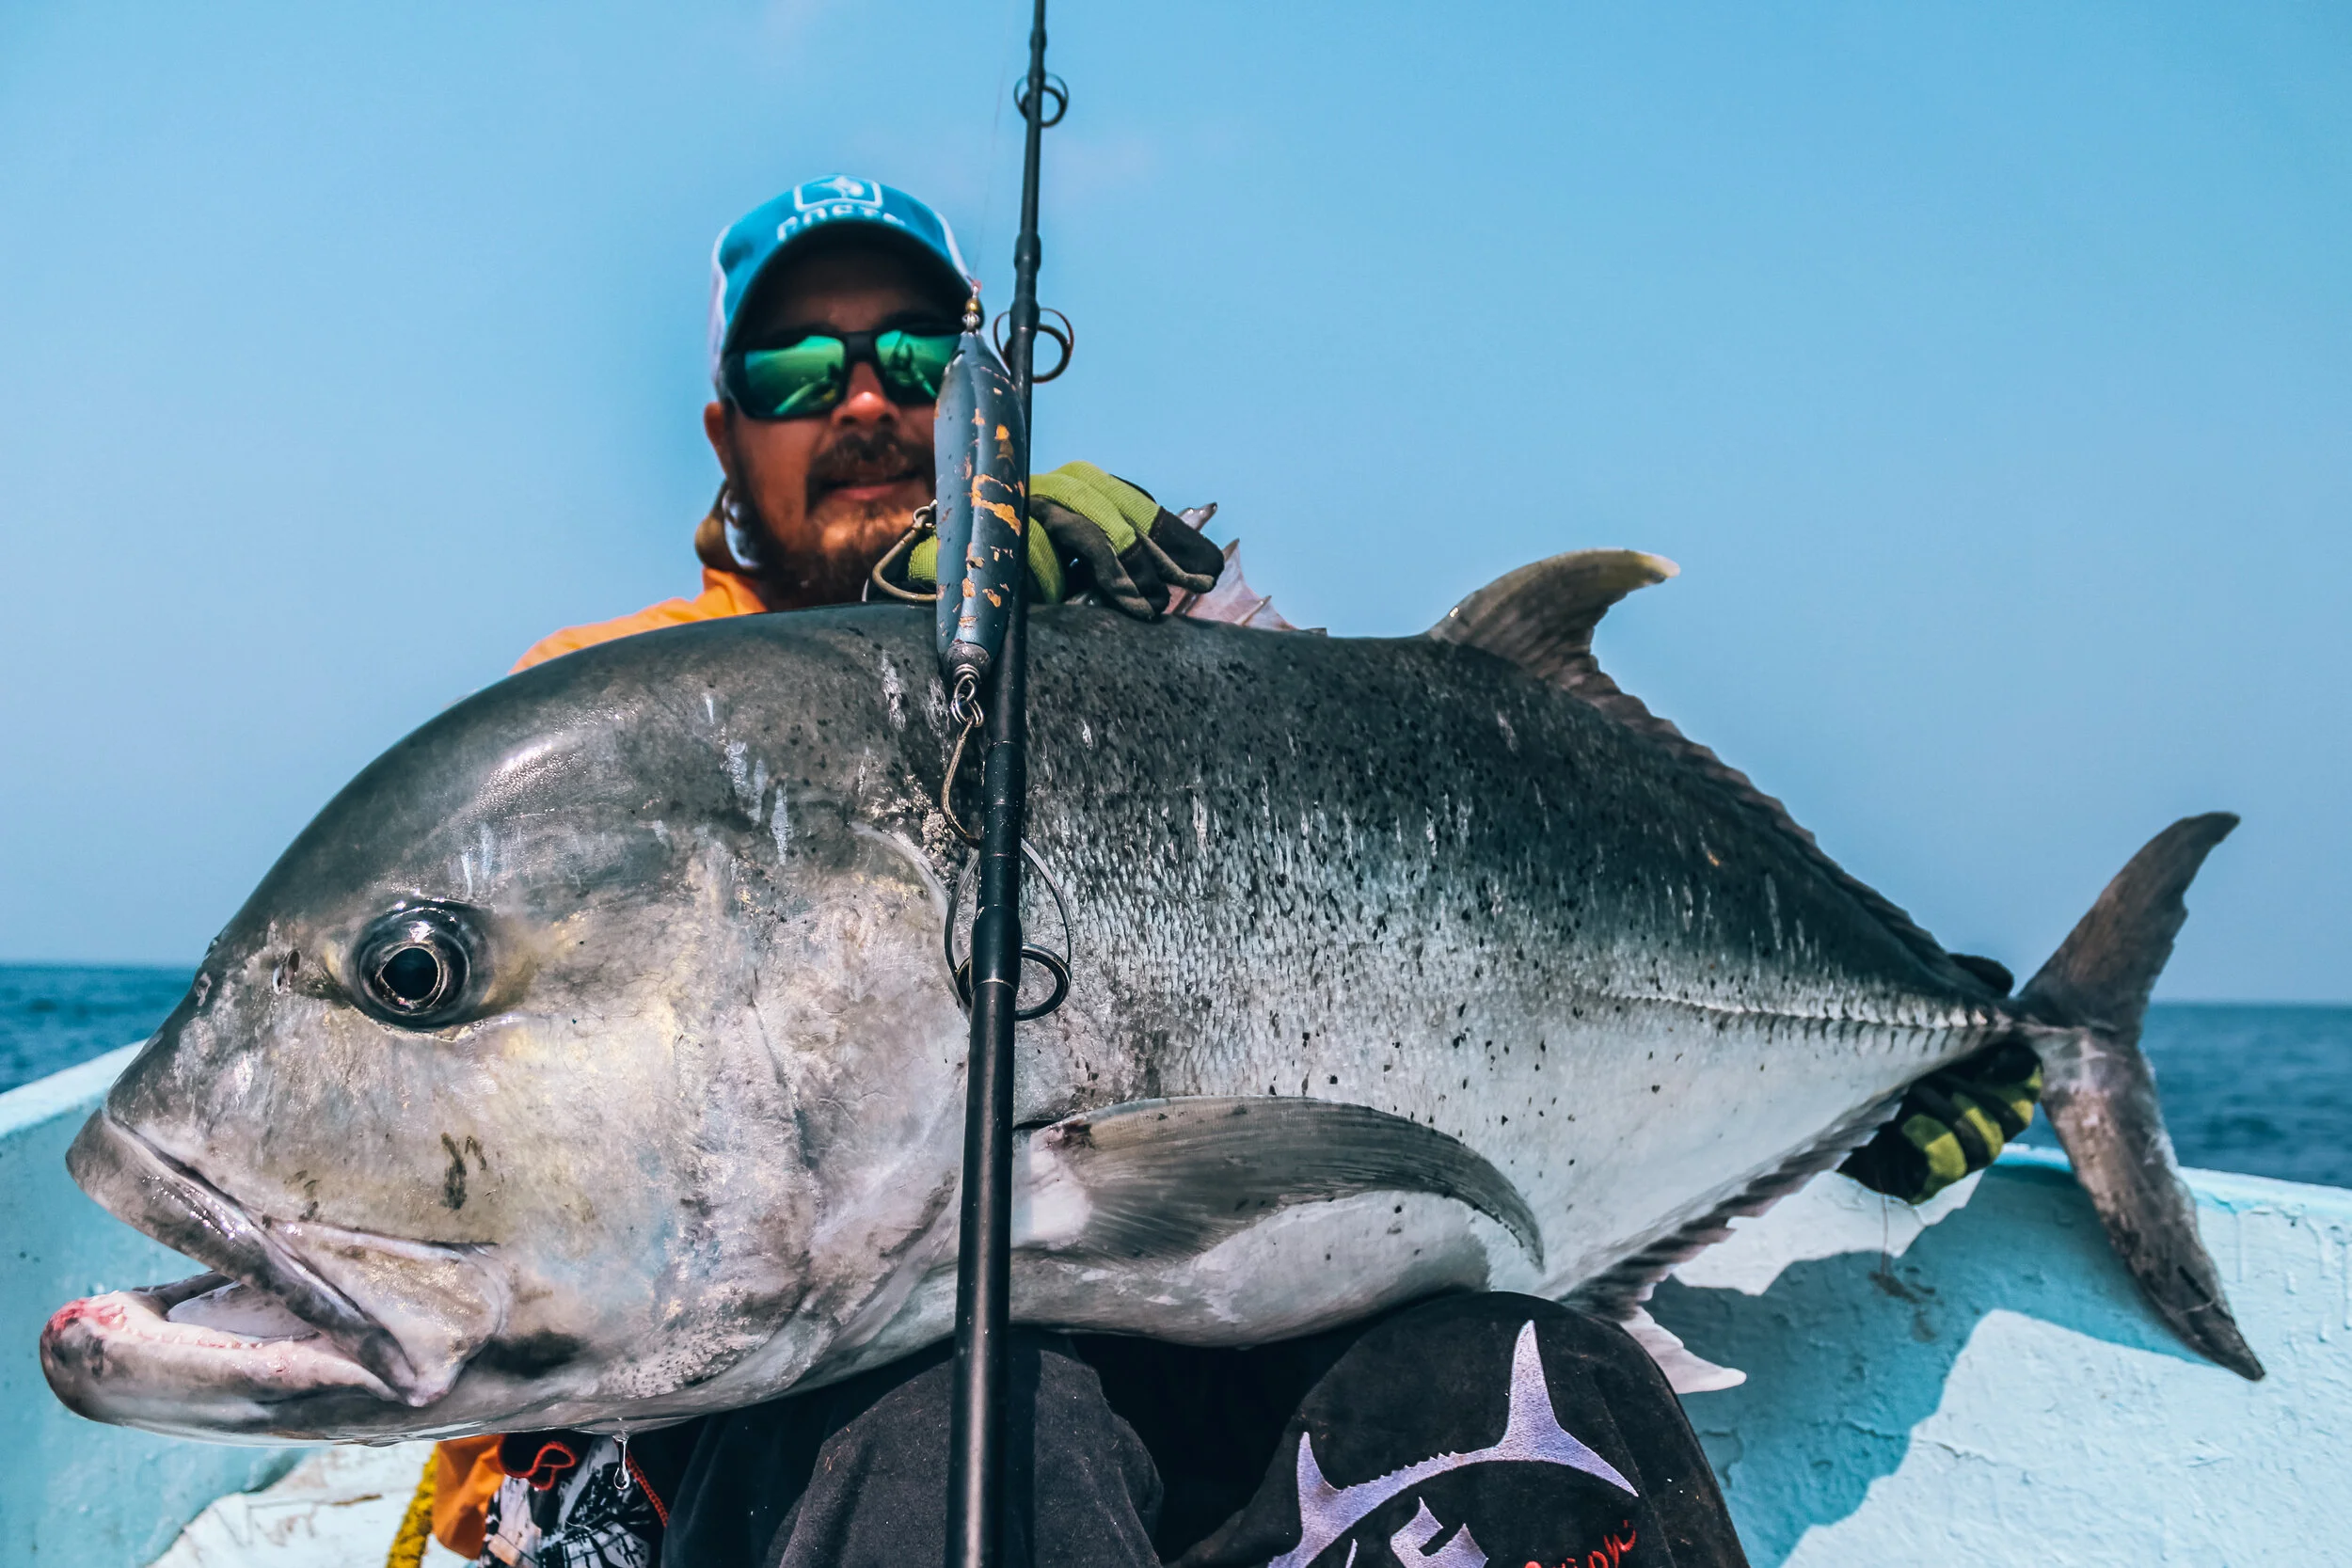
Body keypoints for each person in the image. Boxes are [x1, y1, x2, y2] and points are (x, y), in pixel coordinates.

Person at [417, 172, 2028, 1568]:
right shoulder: (615, 722)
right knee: (968, 1424)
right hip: (799, 1420)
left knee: (1533, 1401)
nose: (864, 402)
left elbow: (1446, 931)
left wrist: (1887, 1059)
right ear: (724, 427)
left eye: (917, 357)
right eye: (796, 364)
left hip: (1198, 1356)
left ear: (986, 402)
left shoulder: (1136, 651)